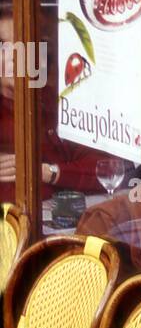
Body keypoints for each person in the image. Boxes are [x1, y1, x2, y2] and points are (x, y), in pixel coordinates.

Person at [0, 11, 97, 204]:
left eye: (24, 45)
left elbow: (105, 170)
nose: (14, 57)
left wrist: (47, 171)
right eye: (3, 47)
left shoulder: (59, 104)